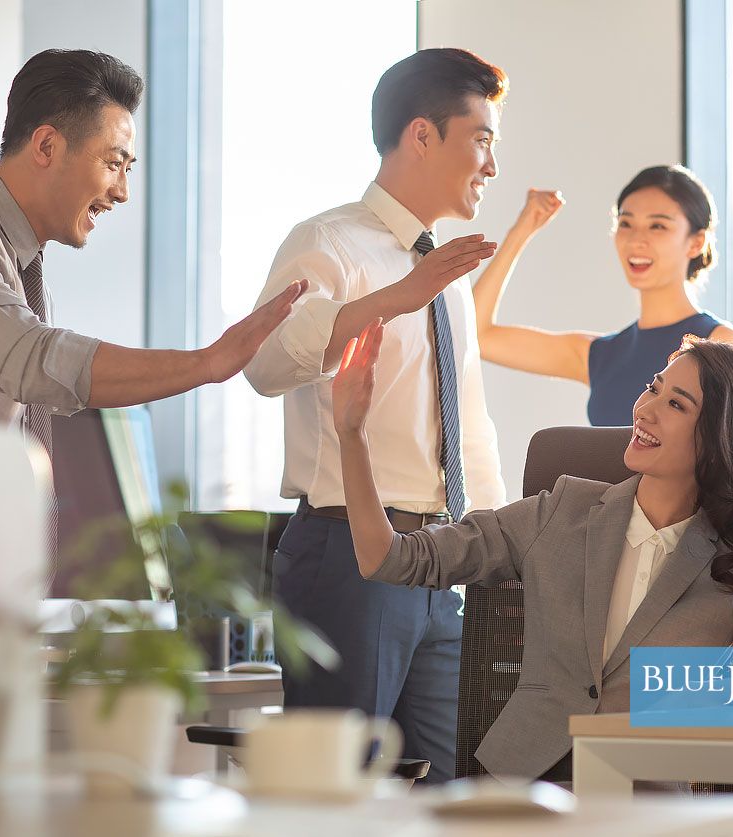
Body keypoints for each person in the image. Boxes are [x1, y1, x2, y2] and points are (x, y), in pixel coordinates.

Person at [333, 321, 733, 782]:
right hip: (521, 793)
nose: (645, 410)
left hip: (643, 805)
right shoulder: (561, 510)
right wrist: (352, 434)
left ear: (719, 441)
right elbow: (388, 558)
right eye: (653, 388)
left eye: (677, 405)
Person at [242, 48, 507, 783]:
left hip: (441, 561)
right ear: (421, 135)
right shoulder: (327, 242)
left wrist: (495, 547)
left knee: (451, 788)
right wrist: (395, 298)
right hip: (347, 555)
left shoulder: (447, 273)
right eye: (481, 139)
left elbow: (467, 423)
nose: (491, 165)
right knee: (338, 789)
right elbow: (263, 363)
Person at [0, 49, 306, 466]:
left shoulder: (25, 272)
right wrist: (206, 363)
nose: (122, 192)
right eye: (114, 163)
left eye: (128, 169)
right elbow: (32, 360)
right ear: (46, 146)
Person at [472, 165, 733, 426]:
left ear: (696, 242)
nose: (636, 240)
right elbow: (477, 335)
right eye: (626, 223)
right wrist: (522, 230)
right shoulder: (600, 355)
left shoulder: (720, 343)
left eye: (657, 226)